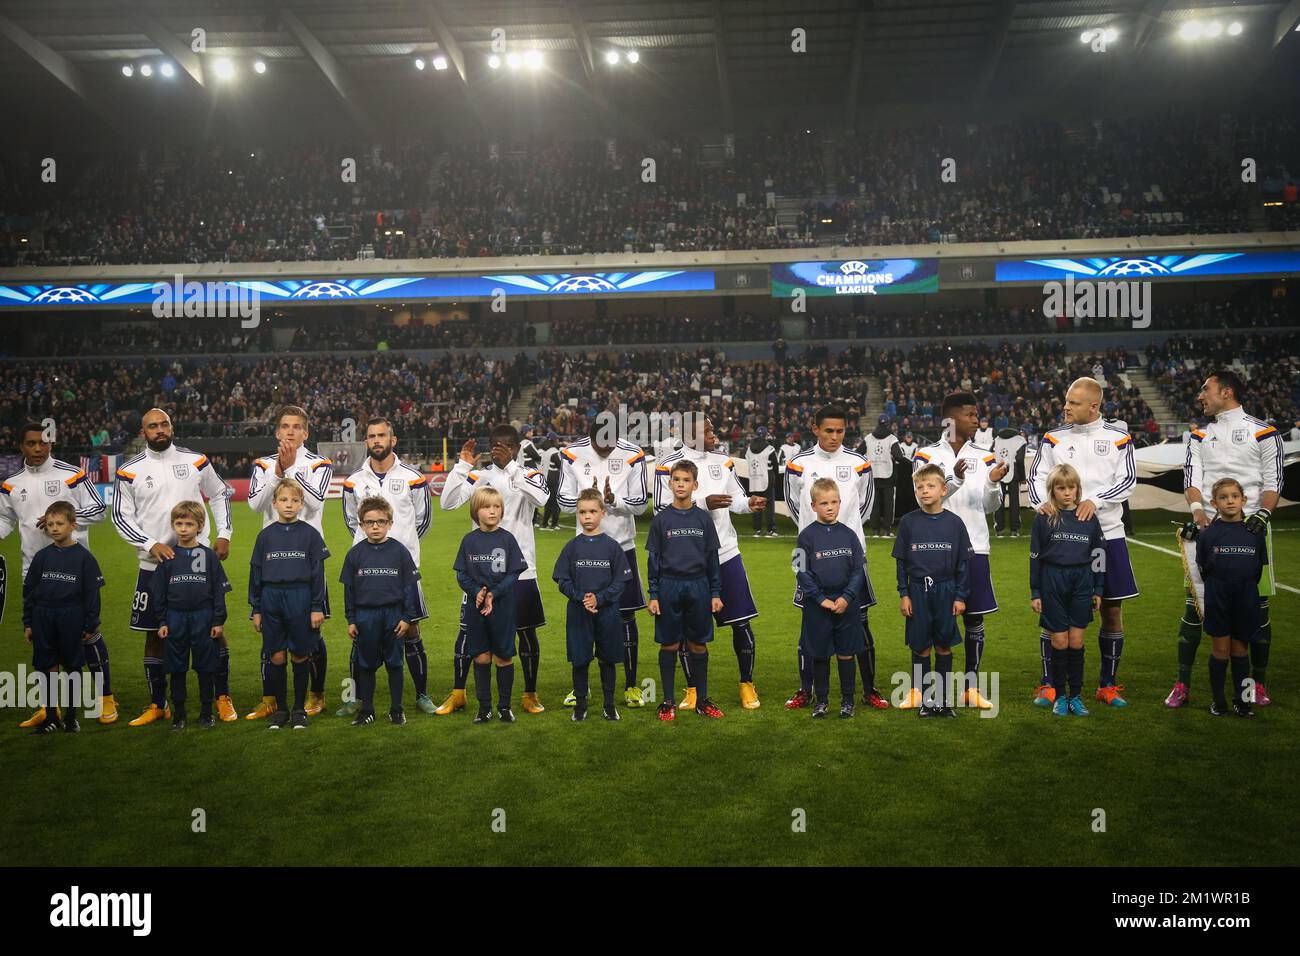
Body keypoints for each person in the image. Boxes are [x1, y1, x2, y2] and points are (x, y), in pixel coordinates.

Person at [112, 408, 236, 726]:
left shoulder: (195, 460)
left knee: (212, 630)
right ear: (144, 432)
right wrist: (149, 543)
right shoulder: (129, 471)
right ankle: (158, 703)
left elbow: (221, 491)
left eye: (164, 423)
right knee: (154, 633)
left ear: (172, 426)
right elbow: (120, 517)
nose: (159, 429)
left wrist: (223, 533)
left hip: (197, 560)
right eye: (152, 426)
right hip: (154, 563)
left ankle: (222, 697)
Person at [1167, 370, 1282, 709]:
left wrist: (1261, 516)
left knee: (1257, 612)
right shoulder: (1200, 435)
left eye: (1206, 389)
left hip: (1253, 529)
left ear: (1227, 391)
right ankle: (1182, 684)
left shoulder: (1265, 432)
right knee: (1194, 609)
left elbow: (1274, 483)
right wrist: (1198, 511)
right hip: (1209, 532)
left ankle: (1257, 685)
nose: (1200, 395)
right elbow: (1192, 478)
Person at [1027, 377, 1137, 708]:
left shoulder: (1119, 438)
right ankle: (1049, 684)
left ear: (1094, 405)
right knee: (1052, 609)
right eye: (1066, 401)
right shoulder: (1052, 438)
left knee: (1111, 609)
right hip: (1060, 536)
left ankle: (1108, 685)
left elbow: (1128, 479)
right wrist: (1040, 504)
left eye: (1073, 402)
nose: (1065, 407)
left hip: (1108, 535)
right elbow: (1035, 477)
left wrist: (1095, 500)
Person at [2, 422, 115, 727]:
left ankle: (106, 699)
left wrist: (63, 516)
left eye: (43, 443)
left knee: (88, 635)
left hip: (74, 568)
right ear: (21, 446)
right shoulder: (12, 483)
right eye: (30, 443)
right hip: (34, 570)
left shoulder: (71, 474)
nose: (38, 449)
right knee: (43, 643)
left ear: (50, 443)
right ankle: (47, 707)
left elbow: (99, 509)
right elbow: (4, 520)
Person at [655, 416, 767, 709]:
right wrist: (703, 502)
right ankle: (692, 690)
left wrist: (749, 504)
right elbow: (658, 506)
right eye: (708, 430)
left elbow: (737, 500)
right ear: (691, 435)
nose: (714, 433)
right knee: (683, 632)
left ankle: (747, 685)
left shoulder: (724, 462)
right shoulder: (668, 464)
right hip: (686, 561)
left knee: (740, 623)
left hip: (726, 554)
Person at [438, 425, 550, 714]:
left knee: (525, 633)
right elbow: (447, 502)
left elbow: (542, 500)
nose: (498, 450)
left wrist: (512, 467)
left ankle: (529, 694)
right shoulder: (480, 476)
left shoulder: (529, 474)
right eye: (494, 445)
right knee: (468, 632)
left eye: (504, 446)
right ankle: (459, 693)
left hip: (520, 572)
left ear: (515, 448)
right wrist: (463, 465)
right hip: (480, 575)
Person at [784, 406, 884, 709]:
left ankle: (869, 690)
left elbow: (864, 508)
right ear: (815, 428)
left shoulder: (859, 463)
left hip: (850, 559)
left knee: (861, 623)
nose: (835, 437)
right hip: (812, 559)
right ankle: (807, 690)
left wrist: (844, 537)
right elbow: (793, 506)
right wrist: (814, 540)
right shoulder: (798, 464)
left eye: (840, 431)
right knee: (811, 625)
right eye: (828, 430)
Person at [911, 393, 1007, 710]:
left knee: (974, 618)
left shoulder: (986, 456)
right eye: (970, 413)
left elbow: (991, 506)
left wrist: (993, 484)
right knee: (929, 619)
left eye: (976, 412)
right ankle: (923, 688)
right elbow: (923, 499)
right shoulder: (925, 455)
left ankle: (970, 687)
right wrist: (955, 479)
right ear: (951, 420)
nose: (976, 418)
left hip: (974, 546)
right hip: (933, 550)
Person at [338, 418, 433, 717]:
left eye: (382, 435)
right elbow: (351, 521)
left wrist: (399, 550)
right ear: (366, 441)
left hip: (404, 568)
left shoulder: (413, 478)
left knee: (411, 628)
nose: (377, 440)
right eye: (371, 436)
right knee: (361, 631)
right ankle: (352, 699)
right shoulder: (354, 481)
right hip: (365, 569)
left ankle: (421, 695)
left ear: (393, 440)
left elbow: (423, 521)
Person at [246, 406, 334, 719]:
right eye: (285, 426)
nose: (290, 432)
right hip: (272, 562)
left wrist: (292, 468)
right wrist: (277, 472)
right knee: (271, 633)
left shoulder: (319, 464)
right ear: (276, 432)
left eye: (297, 427)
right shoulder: (262, 465)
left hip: (306, 560)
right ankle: (271, 698)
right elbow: (256, 504)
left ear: (306, 433)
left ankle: (317, 693)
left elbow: (315, 502)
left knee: (313, 630)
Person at [557, 415, 649, 707]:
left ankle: (631, 686)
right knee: (583, 615)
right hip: (583, 550)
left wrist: (612, 501)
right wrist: (592, 500)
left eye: (611, 443)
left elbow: (641, 503)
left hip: (621, 547)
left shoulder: (634, 454)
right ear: (591, 435)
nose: (606, 449)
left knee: (626, 617)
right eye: (600, 443)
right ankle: (580, 689)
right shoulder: (571, 454)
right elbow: (561, 500)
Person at [892, 465, 972, 718]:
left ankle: (944, 701)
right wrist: (904, 593)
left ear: (943, 489)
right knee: (921, 646)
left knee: (944, 646)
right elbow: (901, 562)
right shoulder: (908, 522)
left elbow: (963, 564)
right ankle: (926, 700)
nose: (924, 491)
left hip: (946, 590)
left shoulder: (955, 523)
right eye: (919, 487)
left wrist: (960, 596)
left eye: (930, 486)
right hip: (917, 591)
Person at [249, 479, 329, 730]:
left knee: (300, 654)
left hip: (300, 597)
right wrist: (257, 608)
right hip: (272, 597)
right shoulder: (265, 536)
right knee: (276, 655)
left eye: (294, 500)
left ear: (301, 504)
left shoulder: (310, 534)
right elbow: (256, 573)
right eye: (283, 500)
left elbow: (318, 573)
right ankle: (281, 709)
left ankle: (298, 710)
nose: (289, 505)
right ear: (274, 503)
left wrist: (317, 606)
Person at [647, 459, 723, 721]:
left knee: (697, 644)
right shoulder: (661, 520)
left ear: (695, 484)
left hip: (699, 585)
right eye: (676, 480)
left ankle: (702, 699)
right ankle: (667, 701)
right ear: (670, 484)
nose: (681, 484)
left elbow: (713, 559)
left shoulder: (703, 518)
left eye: (686, 480)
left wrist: (715, 593)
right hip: (669, 586)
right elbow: (653, 560)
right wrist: (653, 595)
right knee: (669, 644)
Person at [22, 501, 105, 735]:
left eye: (60, 523)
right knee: (46, 667)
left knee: (72, 667)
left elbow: (92, 595)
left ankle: (71, 718)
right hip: (43, 616)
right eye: (50, 524)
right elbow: (29, 592)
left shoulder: (84, 558)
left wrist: (90, 623)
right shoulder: (41, 557)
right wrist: (28, 622)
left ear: (72, 525)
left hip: (71, 616)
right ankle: (50, 717)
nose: (55, 528)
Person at [340, 496, 423, 727]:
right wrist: (351, 619)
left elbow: (409, 589)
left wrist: (407, 618)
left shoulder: (400, 552)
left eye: (380, 521)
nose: (375, 526)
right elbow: (349, 591)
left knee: (395, 663)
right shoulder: (355, 554)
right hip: (366, 617)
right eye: (369, 522)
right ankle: (367, 710)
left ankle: (397, 709)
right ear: (362, 525)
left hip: (393, 615)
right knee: (365, 664)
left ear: (390, 523)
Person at [1029, 465, 1105, 717]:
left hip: (1081, 581)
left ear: (1078, 489)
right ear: (1052, 490)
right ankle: (1059, 696)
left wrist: (1099, 587)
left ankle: (1076, 696)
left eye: (1071, 487)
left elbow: (1098, 554)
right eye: (1061, 488)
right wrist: (1035, 591)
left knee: (1077, 641)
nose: (1066, 492)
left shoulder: (1089, 518)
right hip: (1053, 581)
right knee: (1059, 640)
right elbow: (1035, 558)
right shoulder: (1044, 517)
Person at [553, 488, 632, 721]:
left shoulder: (612, 547)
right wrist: (581, 597)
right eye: (582, 512)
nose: (587, 516)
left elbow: (621, 582)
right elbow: (562, 581)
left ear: (602, 513)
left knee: (607, 658)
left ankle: (609, 705)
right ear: (578, 514)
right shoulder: (572, 547)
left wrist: (599, 598)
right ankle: (581, 705)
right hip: (579, 612)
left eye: (592, 511)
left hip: (607, 612)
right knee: (580, 659)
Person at [151, 501, 231, 731]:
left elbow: (218, 591)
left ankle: (207, 712)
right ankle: (180, 714)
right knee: (176, 668)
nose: (183, 528)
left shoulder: (209, 556)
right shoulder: (167, 557)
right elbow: (160, 594)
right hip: (175, 618)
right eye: (179, 523)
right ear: (173, 526)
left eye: (189, 524)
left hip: (203, 618)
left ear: (200, 526)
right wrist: (163, 621)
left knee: (206, 666)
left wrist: (218, 620)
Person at [453, 486, 527, 724]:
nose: (493, 511)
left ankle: (504, 707)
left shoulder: (507, 539)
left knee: (503, 657)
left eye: (497, 507)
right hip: (477, 609)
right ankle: (484, 708)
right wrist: (476, 592)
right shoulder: (469, 541)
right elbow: (461, 575)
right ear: (476, 511)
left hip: (503, 608)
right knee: (481, 657)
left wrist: (493, 593)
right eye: (487, 507)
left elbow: (513, 574)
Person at [1195, 478, 1269, 717]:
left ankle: (1243, 701)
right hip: (1218, 596)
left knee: (1240, 650)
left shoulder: (1254, 534)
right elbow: (1204, 568)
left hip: (1246, 596)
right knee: (1221, 649)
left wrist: (1243, 586)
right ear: (1214, 503)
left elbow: (1257, 569)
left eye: (1234, 496)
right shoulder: (1207, 535)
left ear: (1243, 500)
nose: (1230, 501)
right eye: (1224, 497)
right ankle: (1219, 701)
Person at [794, 479, 866, 719]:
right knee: (820, 654)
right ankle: (822, 701)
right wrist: (819, 598)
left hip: (847, 605)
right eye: (824, 503)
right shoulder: (805, 536)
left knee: (846, 653)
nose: (830, 507)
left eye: (834, 502)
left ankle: (847, 701)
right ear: (814, 505)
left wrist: (847, 597)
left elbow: (858, 571)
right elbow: (799, 570)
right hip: (818, 606)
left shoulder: (850, 535)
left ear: (840, 503)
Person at [866, 417, 906, 537]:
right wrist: (910, 463)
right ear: (888, 425)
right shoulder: (892, 438)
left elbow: (858, 453)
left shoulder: (868, 438)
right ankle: (887, 530)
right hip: (888, 476)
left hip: (873, 475)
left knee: (874, 504)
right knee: (889, 504)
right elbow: (898, 456)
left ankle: (875, 531)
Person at [992, 426, 1028, 537]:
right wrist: (1022, 477)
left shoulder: (997, 440)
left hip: (999, 472)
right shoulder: (1020, 440)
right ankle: (1014, 530)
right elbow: (1020, 460)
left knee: (999, 502)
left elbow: (990, 455)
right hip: (1014, 473)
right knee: (1014, 502)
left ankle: (999, 530)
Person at [744, 428, 778, 536]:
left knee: (756, 504)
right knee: (769, 506)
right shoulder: (770, 448)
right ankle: (770, 530)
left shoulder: (749, 448)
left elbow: (747, 460)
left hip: (754, 480)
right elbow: (775, 465)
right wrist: (775, 477)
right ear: (765, 435)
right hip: (767, 478)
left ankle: (757, 530)